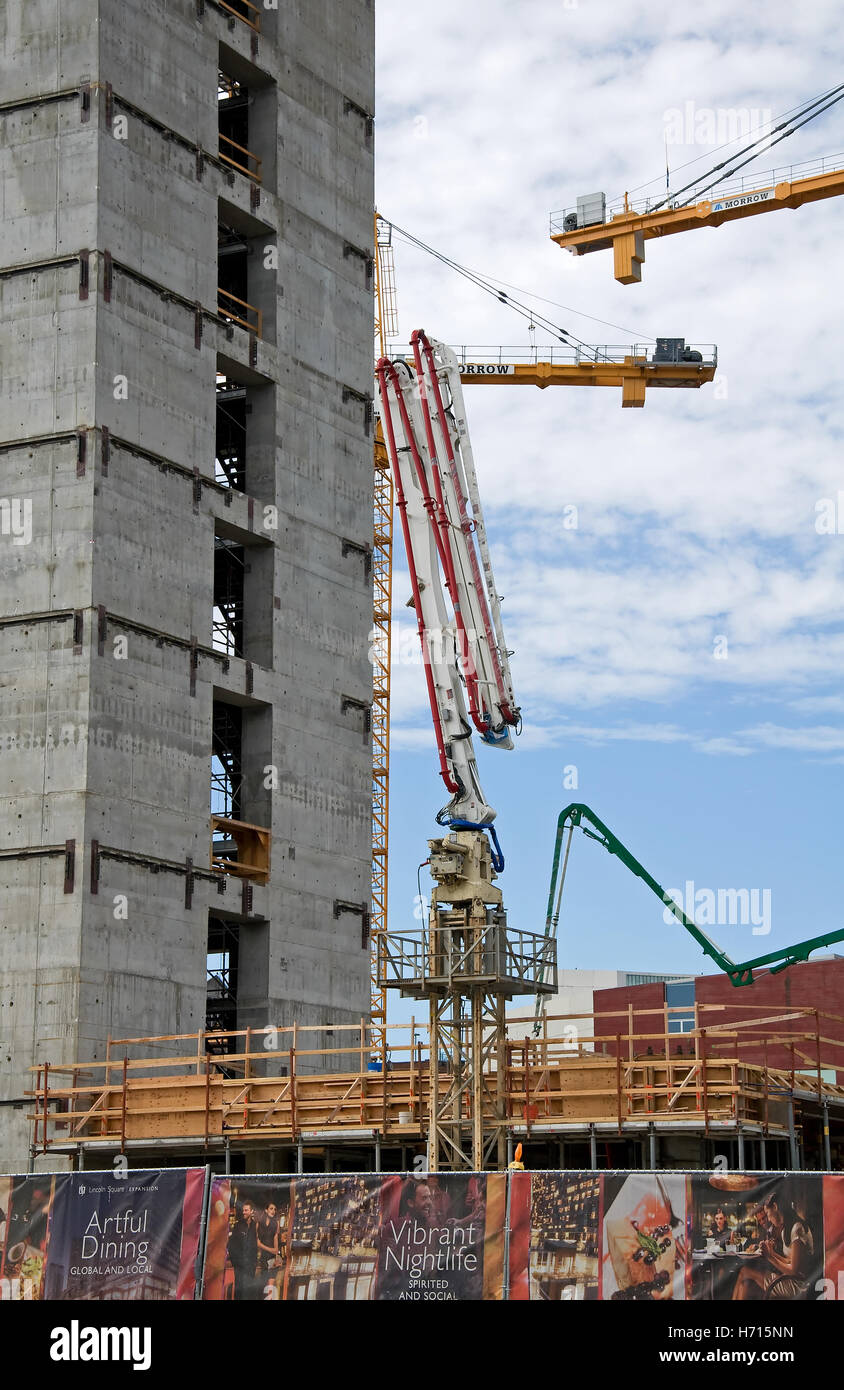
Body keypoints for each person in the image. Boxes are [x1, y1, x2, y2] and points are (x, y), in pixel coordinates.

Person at [732, 1191, 812, 1300]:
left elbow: (794, 1271)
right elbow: (789, 1260)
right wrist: (772, 1253)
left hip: (797, 1285)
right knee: (744, 1285)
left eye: (767, 1214)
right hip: (787, 1279)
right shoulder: (787, 1229)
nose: (768, 1219)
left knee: (744, 1271)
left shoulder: (797, 1228)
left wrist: (770, 1257)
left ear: (775, 1207)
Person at [228, 1200, 260, 1301]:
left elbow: (257, 1245)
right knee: (239, 1291)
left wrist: (254, 1263)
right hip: (240, 1266)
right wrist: (235, 1262)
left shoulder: (256, 1226)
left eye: (246, 1210)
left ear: (251, 1211)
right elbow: (231, 1244)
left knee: (249, 1292)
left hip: (250, 1266)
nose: (244, 1212)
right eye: (243, 1210)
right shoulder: (238, 1225)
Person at [257, 1201, 280, 1279]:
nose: (273, 1211)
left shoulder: (276, 1224)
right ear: (266, 1210)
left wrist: (261, 1245)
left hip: (271, 1260)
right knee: (261, 1285)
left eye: (275, 1209)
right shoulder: (259, 1223)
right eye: (271, 1208)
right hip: (262, 1259)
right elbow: (255, 1242)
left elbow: (276, 1250)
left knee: (269, 1287)